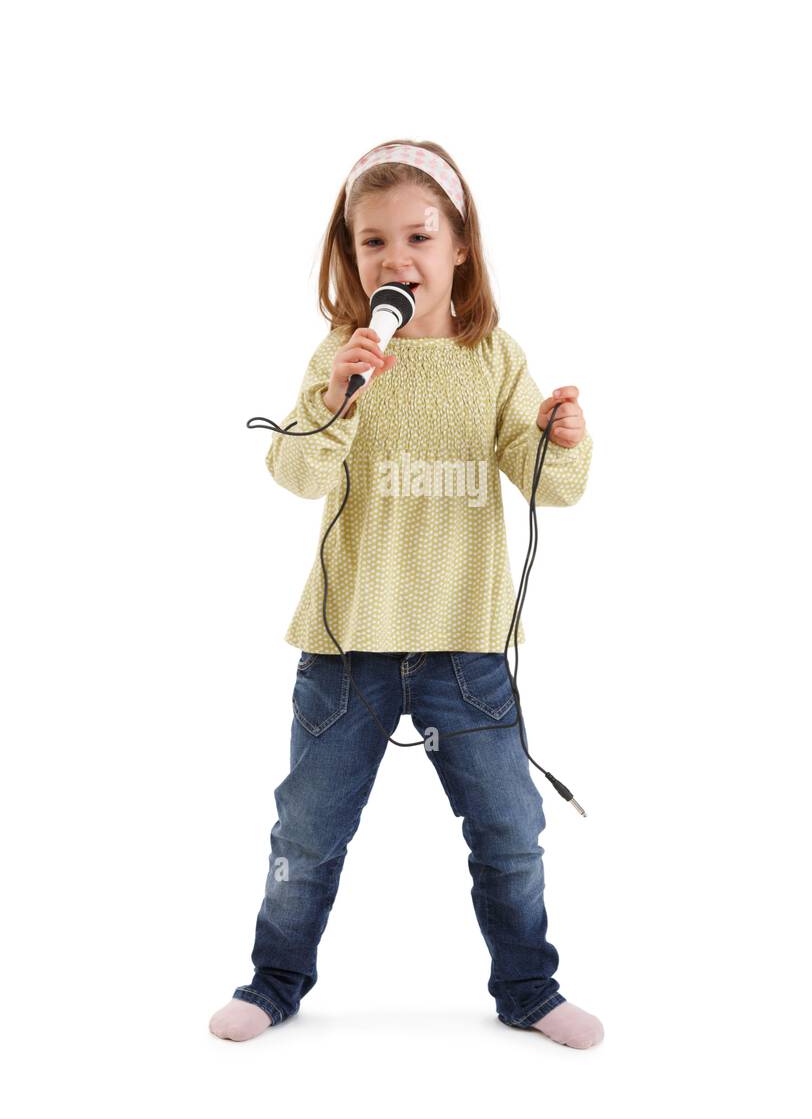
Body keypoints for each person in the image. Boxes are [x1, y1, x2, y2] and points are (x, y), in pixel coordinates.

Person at [209, 139, 603, 1050]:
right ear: (348, 256)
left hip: (466, 647)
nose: (397, 260)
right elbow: (298, 472)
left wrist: (563, 439)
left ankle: (529, 989)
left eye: (419, 237)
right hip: (348, 647)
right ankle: (274, 981)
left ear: (459, 246)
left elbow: (551, 488)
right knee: (307, 832)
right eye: (372, 242)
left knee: (510, 830)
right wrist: (341, 398)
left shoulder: (494, 356)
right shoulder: (339, 355)